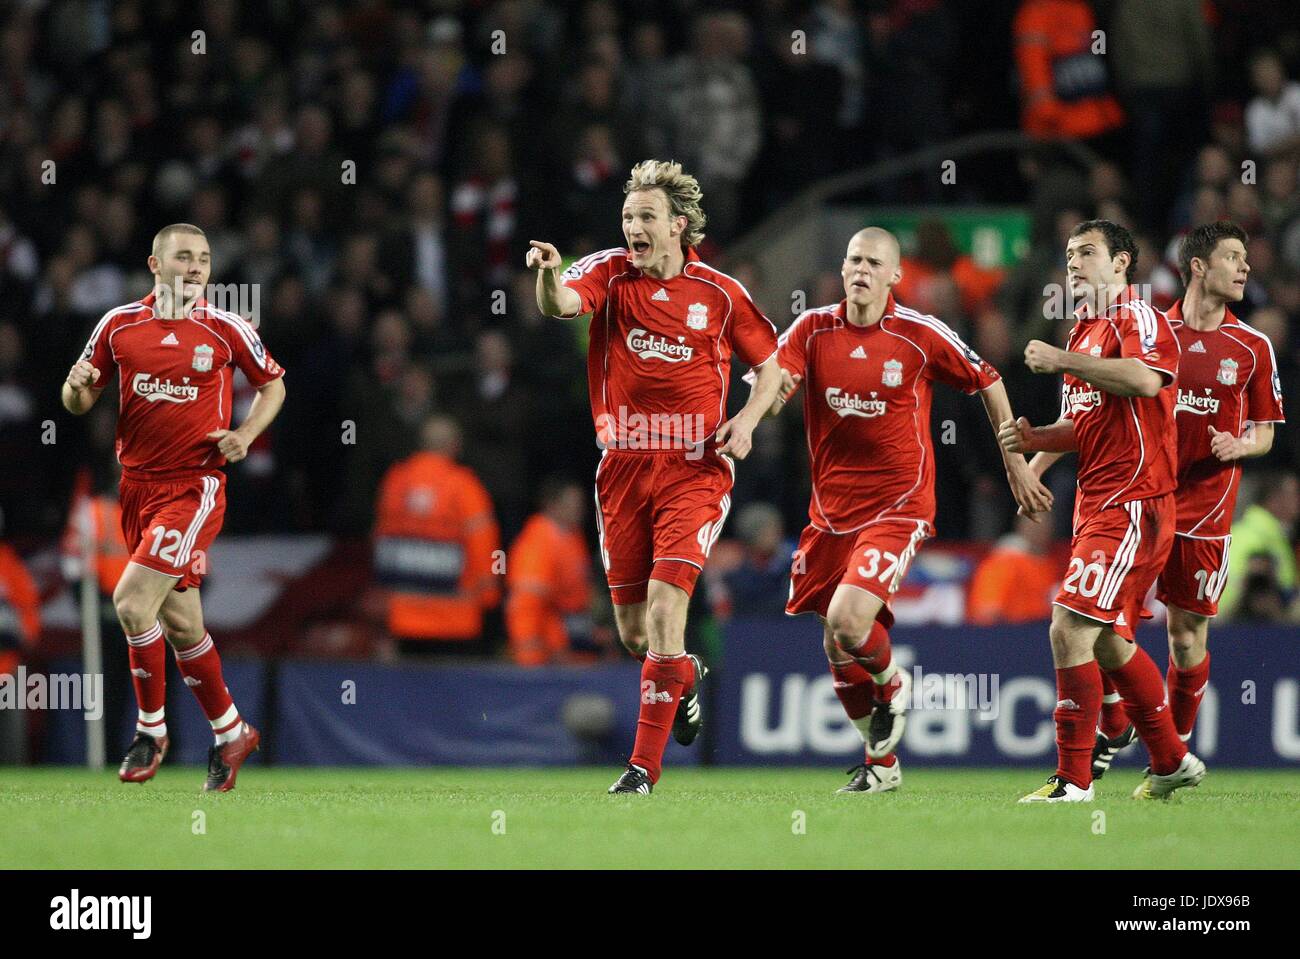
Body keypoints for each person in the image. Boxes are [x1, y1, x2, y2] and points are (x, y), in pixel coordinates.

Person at [765, 227, 1052, 794]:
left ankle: (895, 685)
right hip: (830, 513)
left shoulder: (920, 335)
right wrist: (756, 413)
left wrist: (1016, 464)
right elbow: (778, 382)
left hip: (900, 506)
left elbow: (988, 380)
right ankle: (881, 766)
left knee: (850, 622)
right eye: (852, 259)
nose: (860, 270)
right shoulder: (813, 328)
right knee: (834, 640)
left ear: (897, 275)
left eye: (874, 262)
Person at [527, 159, 782, 794]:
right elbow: (561, 304)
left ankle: (642, 769)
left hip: (695, 469)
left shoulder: (721, 295)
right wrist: (551, 273)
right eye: (628, 217)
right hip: (621, 470)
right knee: (636, 632)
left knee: (669, 611)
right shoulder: (608, 271)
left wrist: (747, 420)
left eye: (646, 217)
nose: (633, 227)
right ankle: (683, 675)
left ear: (679, 226)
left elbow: (773, 366)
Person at [61, 223, 285, 792]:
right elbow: (78, 401)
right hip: (136, 488)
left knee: (132, 603)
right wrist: (75, 385)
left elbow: (274, 385)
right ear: (155, 266)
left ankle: (150, 729)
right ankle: (231, 730)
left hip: (194, 487)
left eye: (204, 259)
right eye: (183, 257)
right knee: (181, 623)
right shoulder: (118, 326)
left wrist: (247, 434)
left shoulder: (227, 328)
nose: (195, 267)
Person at [1001, 219, 1204, 802]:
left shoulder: (1137, 317)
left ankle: (1073, 779)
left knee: (1068, 627)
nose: (1073, 262)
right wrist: (1036, 441)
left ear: (1121, 263)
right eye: (1068, 253)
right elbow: (1085, 425)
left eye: (1087, 252)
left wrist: (1063, 361)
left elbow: (1144, 381)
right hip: (1097, 501)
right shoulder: (1085, 331)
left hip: (1135, 501)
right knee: (1108, 640)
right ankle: (1170, 759)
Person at [1092, 223, 1284, 781]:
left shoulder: (1252, 347)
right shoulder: (1152, 333)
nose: (1245, 268)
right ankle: (1114, 725)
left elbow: (1267, 431)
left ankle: (1169, 754)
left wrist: (1242, 443)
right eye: (1232, 257)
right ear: (1198, 266)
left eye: (1246, 258)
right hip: (1142, 501)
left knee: (1185, 635)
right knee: (1105, 620)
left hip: (1206, 510)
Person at [373, 415, 501, 654]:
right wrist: (489, 598)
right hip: (455, 620)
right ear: (454, 445)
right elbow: (484, 546)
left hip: (402, 617)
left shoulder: (396, 480)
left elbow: (381, 541)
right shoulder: (464, 485)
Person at [505, 478, 594, 666]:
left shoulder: (572, 538)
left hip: (575, 646)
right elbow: (527, 602)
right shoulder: (538, 543)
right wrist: (529, 656)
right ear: (552, 506)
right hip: (549, 656)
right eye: (572, 504)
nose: (579, 510)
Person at [967, 511, 1060, 624]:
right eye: (1033, 525)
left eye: (1044, 525)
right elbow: (987, 612)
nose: (1039, 530)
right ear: (1020, 527)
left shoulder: (1053, 567)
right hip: (1013, 633)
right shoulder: (1003, 563)